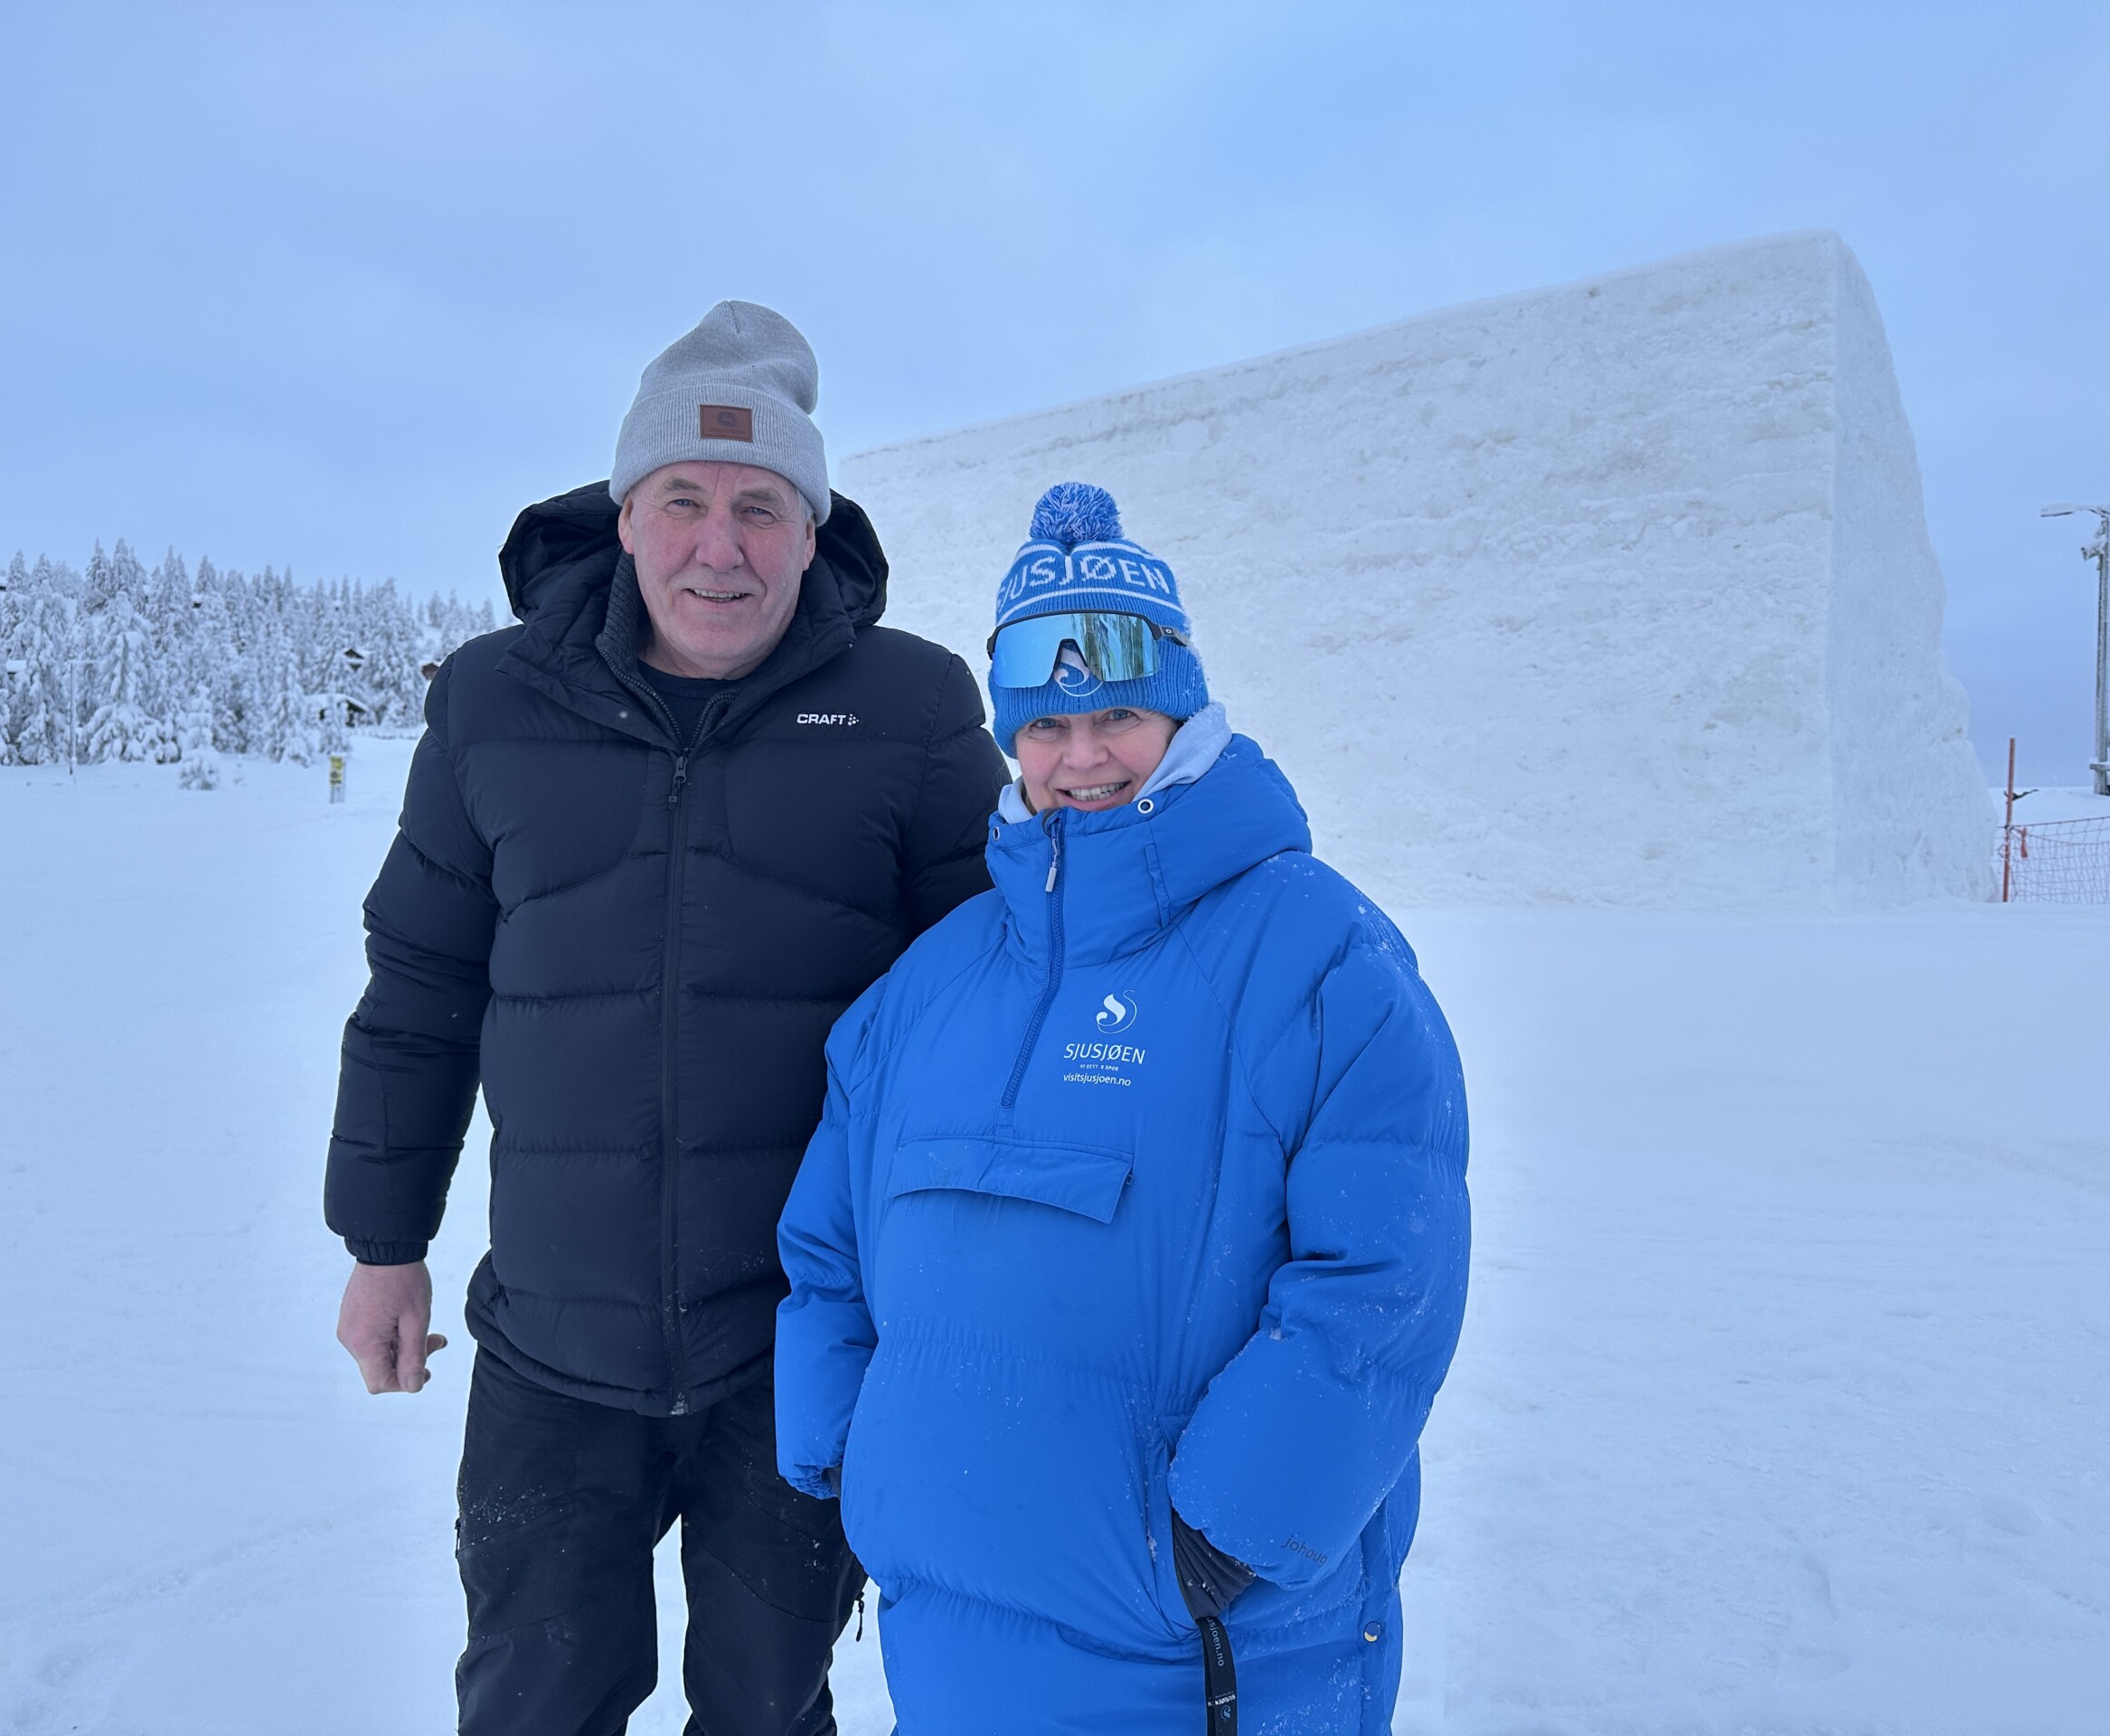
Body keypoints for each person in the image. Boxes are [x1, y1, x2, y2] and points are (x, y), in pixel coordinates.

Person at [324, 301, 1008, 1736]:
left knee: (771, 1707)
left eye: (763, 506)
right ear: (624, 515)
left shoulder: (915, 708)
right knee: (531, 1704)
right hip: (550, 1354)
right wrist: (385, 1246)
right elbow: (419, 989)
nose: (722, 544)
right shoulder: (492, 705)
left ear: (814, 531)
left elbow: (988, 1019)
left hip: (803, 1345)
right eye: (685, 500)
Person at [774, 483, 1474, 1735]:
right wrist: (844, 1441)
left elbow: (1384, 1276)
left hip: (1198, 1648)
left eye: (1120, 715)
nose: (1082, 757)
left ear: (1184, 713)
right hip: (950, 1632)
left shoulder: (1320, 958)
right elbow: (829, 1245)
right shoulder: (933, 980)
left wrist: (1230, 1528)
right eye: (1046, 726)